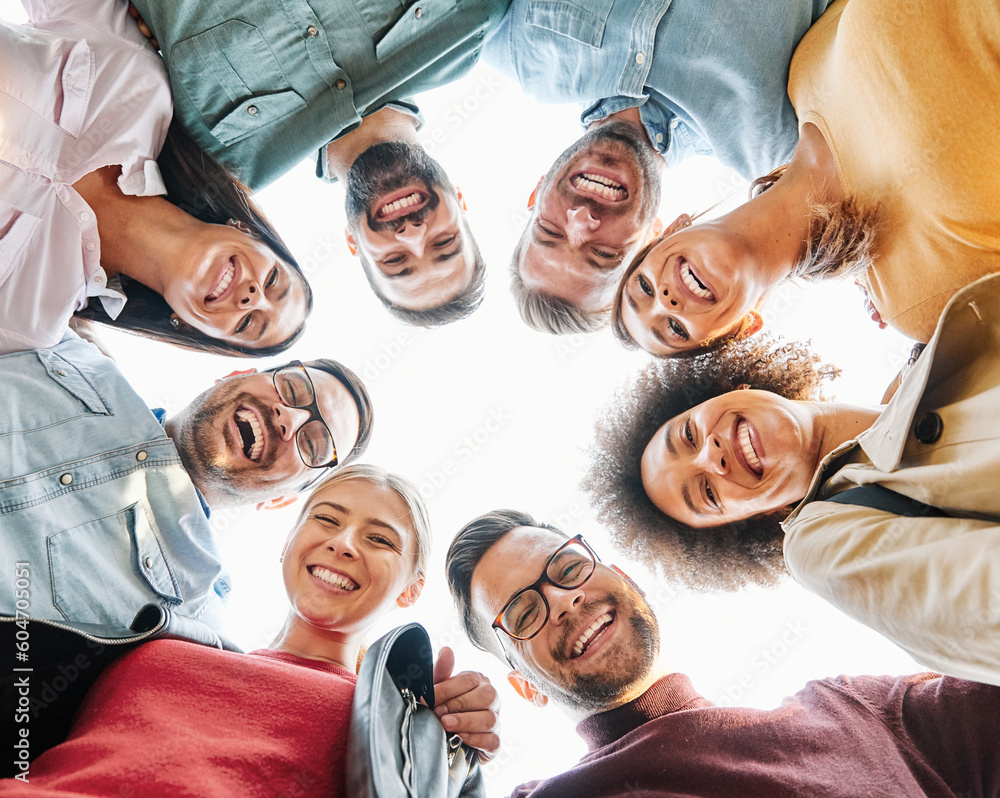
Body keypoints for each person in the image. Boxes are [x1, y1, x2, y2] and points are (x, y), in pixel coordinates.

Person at [588, 275, 1000, 686]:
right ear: (759, 516)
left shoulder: (918, 338)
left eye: (689, 434)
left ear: (728, 390)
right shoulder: (818, 544)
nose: (711, 455)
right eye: (707, 492)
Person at [0, 465, 500, 794]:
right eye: (327, 519)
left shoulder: (398, 725)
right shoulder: (169, 635)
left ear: (411, 590)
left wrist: (453, 748)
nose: (344, 543)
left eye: (379, 540)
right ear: (287, 544)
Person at [446, 513, 1000, 797]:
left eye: (568, 568)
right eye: (524, 613)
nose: (564, 600)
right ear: (525, 687)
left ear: (628, 579)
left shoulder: (856, 709)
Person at [614, 0, 1000, 356]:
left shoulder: (803, 76)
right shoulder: (913, 301)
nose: (665, 301)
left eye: (644, 287)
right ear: (746, 328)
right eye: (675, 329)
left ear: (672, 228)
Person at [127, 0, 511, 327]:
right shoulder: (466, 21)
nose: (411, 234)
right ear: (460, 200)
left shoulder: (216, 163)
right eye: (444, 241)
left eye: (395, 260)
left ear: (353, 242)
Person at [490, 0, 833, 334]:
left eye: (549, 231)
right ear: (654, 236)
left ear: (536, 192)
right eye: (604, 253)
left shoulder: (512, 43)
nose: (581, 219)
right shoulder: (784, 140)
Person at [0, 331, 373, 631]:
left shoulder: (196, 621)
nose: (289, 418)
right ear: (235, 374)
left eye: (313, 444)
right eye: (292, 389)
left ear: (280, 500)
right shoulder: (70, 350)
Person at [0, 0, 313, 356]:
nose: (253, 299)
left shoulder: (27, 321)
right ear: (249, 230)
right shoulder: (140, 85)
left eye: (246, 324)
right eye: (273, 280)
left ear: (189, 326)